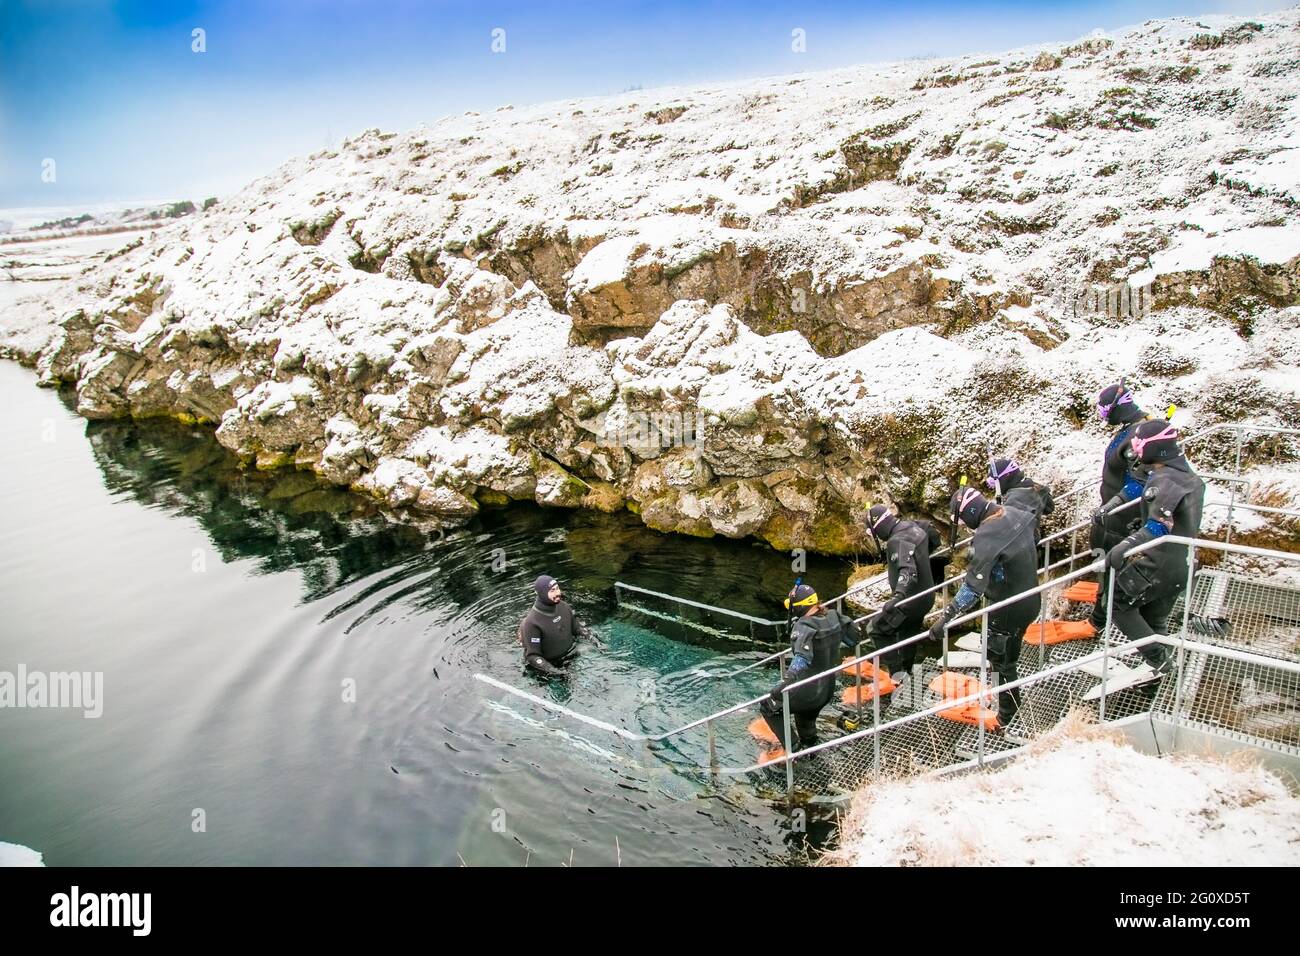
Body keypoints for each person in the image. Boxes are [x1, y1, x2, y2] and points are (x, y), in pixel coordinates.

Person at [928, 486, 1041, 728]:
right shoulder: (1015, 512)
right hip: (1031, 597)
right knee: (1009, 653)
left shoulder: (987, 536)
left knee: (1001, 661)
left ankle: (1006, 716)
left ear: (969, 513)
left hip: (1008, 607)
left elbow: (972, 589)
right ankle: (1006, 697)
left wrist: (945, 618)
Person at [1105, 420, 1205, 675]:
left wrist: (1124, 547)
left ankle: (1159, 661)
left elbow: (1159, 527)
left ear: (1156, 448)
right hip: (1185, 562)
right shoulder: (1188, 476)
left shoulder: (1165, 481)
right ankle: (1163, 671)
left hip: (1160, 564)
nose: (1135, 450)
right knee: (1154, 619)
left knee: (1116, 605)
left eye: (1139, 445)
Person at [760, 583, 857, 756]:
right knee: (806, 725)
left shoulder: (803, 626)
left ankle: (794, 751)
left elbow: (802, 659)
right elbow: (854, 638)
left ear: (799, 607)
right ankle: (811, 752)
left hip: (807, 691)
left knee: (768, 707)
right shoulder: (834, 615)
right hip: (826, 690)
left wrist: (783, 684)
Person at [1089, 380, 1153, 630]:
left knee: (1108, 562)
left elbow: (1139, 481)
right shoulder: (1132, 428)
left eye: (1105, 411)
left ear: (1118, 407)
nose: (1104, 417)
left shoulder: (1139, 436)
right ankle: (1104, 606)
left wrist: (1111, 506)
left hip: (1120, 517)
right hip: (1114, 512)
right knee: (1103, 560)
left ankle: (1101, 617)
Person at [864, 504, 943, 683]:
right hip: (926, 596)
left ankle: (897, 675)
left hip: (909, 602)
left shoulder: (896, 541)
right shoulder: (913, 526)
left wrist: (898, 596)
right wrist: (923, 556)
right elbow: (933, 534)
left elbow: (908, 571)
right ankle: (907, 669)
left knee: (876, 630)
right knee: (908, 633)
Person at [518, 574, 602, 676]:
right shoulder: (532, 623)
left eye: (557, 588)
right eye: (552, 590)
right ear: (543, 594)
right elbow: (533, 656)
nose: (558, 593)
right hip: (550, 668)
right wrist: (556, 672)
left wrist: (593, 640)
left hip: (573, 654)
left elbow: (576, 628)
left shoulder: (564, 607)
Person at [986, 457, 1055, 540]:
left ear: (1007, 475)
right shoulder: (1031, 486)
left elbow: (1006, 531)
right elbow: (1050, 507)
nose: (993, 487)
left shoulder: (1015, 498)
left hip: (1022, 547)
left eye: (994, 482)